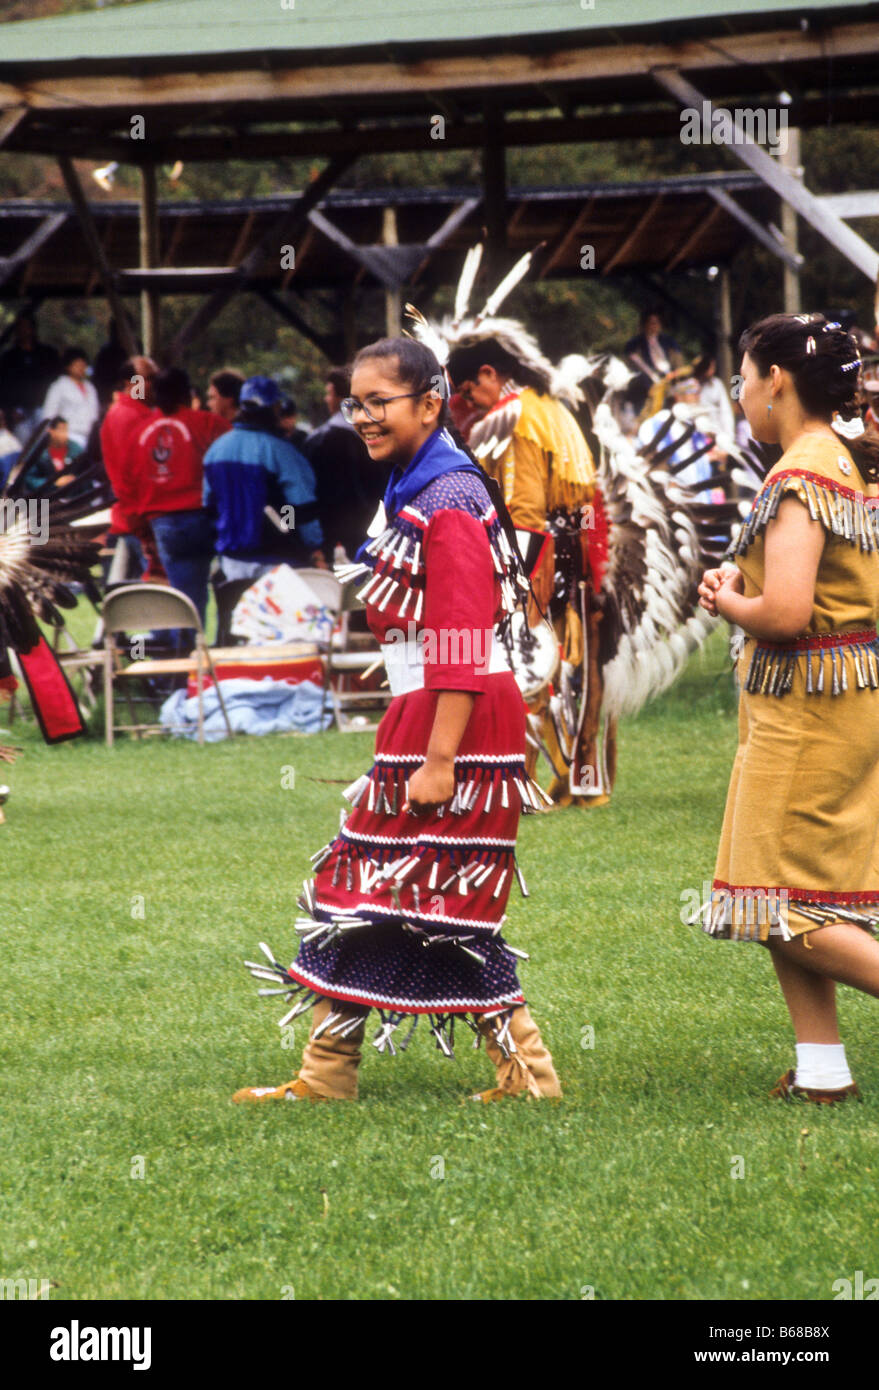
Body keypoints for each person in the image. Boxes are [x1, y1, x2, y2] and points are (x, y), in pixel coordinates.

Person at [233, 336, 561, 1104]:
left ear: (428, 402)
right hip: (431, 710)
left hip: (456, 717)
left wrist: (440, 759)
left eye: (379, 401)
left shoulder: (446, 497)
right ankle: (330, 1072)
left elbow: (457, 635)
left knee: (424, 897)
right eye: (355, 402)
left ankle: (524, 1073)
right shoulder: (420, 482)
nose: (363, 416)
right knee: (373, 893)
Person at [697, 312, 879, 1104]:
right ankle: (820, 1069)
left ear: (775, 381)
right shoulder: (843, 460)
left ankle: (822, 1066)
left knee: (779, 901)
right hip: (830, 698)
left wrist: (725, 600)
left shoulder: (798, 475)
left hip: (807, 706)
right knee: (783, 891)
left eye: (742, 378)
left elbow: (785, 612)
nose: (740, 395)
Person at [446, 336, 601, 806]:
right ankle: (577, 782)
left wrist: (511, 579)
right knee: (565, 666)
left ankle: (531, 783)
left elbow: (524, 510)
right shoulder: (541, 404)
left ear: (490, 375)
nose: (467, 402)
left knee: (530, 664)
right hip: (569, 551)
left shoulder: (515, 421)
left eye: (469, 391)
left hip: (536, 555)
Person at [131, 366, 230, 626]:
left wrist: (142, 533)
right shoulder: (208, 423)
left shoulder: (140, 433)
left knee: (183, 598)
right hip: (201, 517)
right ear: (187, 393)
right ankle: (220, 644)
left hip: (162, 524)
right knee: (225, 585)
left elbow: (131, 487)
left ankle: (186, 652)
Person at [202, 374, 325, 580]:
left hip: (232, 562)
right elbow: (299, 507)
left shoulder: (216, 450)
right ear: (275, 407)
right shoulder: (282, 452)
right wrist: (305, 540)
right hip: (278, 561)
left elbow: (210, 506)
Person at [303, 366, 382, 561]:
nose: (326, 399)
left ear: (341, 399)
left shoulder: (319, 440)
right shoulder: (379, 437)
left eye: (328, 393)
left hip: (330, 531)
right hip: (374, 526)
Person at [99, 355, 163, 581]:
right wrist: (144, 528)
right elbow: (131, 477)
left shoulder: (136, 413)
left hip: (133, 522)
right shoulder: (128, 416)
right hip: (140, 523)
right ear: (130, 383)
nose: (155, 384)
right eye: (149, 379)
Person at [0, 313, 60, 443]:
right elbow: (4, 387)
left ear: (33, 329)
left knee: (42, 447)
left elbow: (55, 381)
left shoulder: (46, 353)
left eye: (26, 327)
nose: (23, 330)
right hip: (20, 412)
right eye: (20, 327)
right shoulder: (9, 357)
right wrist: (11, 410)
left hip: (43, 408)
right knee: (24, 452)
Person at [624, 308, 682, 415]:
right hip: (644, 388)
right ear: (644, 324)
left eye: (657, 322)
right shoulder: (634, 344)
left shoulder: (669, 342)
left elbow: (678, 364)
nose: (654, 326)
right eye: (651, 323)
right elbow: (633, 366)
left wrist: (675, 377)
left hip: (668, 384)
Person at [41, 347, 99, 450]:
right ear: (68, 366)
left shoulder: (90, 388)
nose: (81, 368)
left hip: (90, 438)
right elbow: (48, 415)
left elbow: (95, 413)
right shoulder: (58, 386)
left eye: (83, 365)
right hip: (69, 437)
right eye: (77, 365)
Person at [20, 415, 84, 492]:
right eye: (61, 430)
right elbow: (29, 479)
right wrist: (54, 483)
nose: (65, 435)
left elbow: (84, 473)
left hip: (71, 495)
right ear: (51, 431)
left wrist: (75, 480)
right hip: (46, 496)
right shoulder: (38, 452)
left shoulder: (76, 449)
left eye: (66, 430)